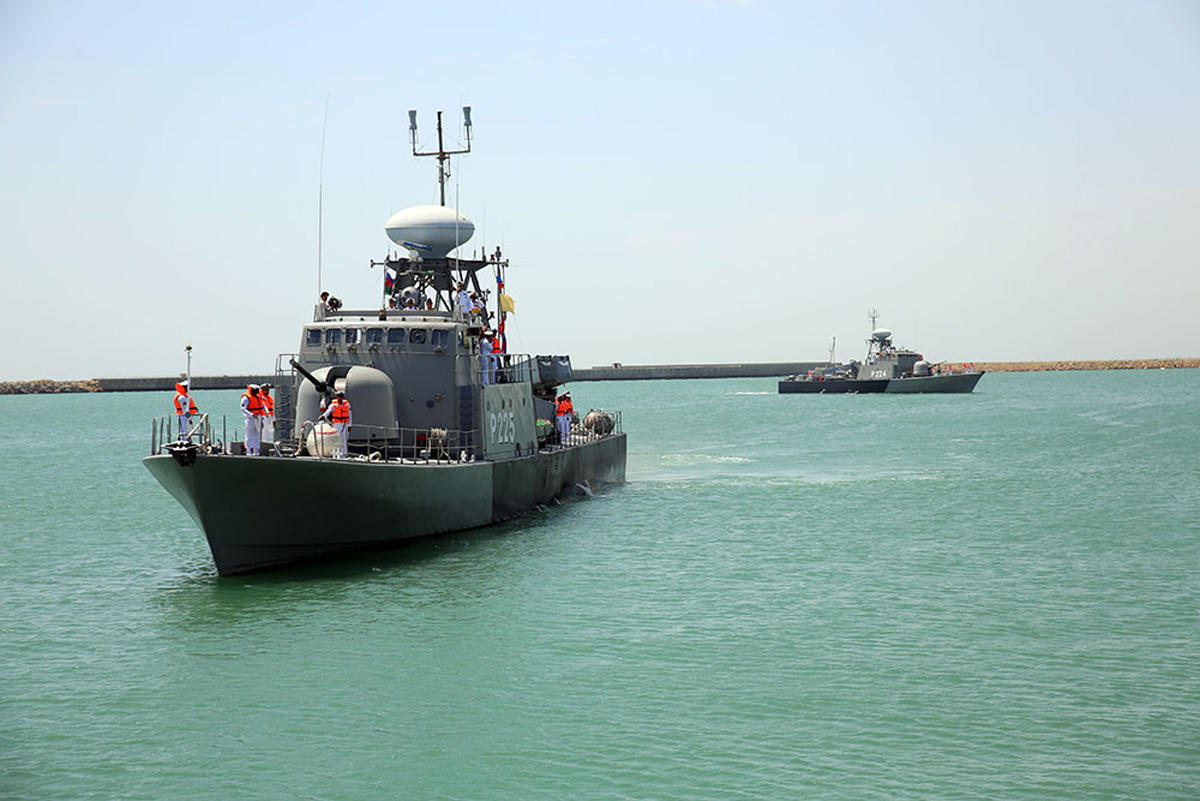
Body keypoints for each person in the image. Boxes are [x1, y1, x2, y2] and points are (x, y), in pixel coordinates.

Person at [321, 390, 352, 458]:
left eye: (341, 396)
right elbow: (329, 411)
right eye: (339, 396)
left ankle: (344, 454)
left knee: (344, 439)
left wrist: (349, 425)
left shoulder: (347, 404)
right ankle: (335, 453)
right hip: (336, 423)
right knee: (335, 438)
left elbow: (349, 415)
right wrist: (323, 416)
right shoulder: (333, 405)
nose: (340, 398)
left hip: (344, 424)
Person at [241, 384, 264, 455]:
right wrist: (251, 414)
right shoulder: (246, 398)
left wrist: (262, 419)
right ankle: (248, 451)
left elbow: (262, 408)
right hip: (250, 419)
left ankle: (256, 450)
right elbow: (243, 409)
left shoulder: (258, 397)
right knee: (249, 435)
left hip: (258, 418)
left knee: (257, 435)